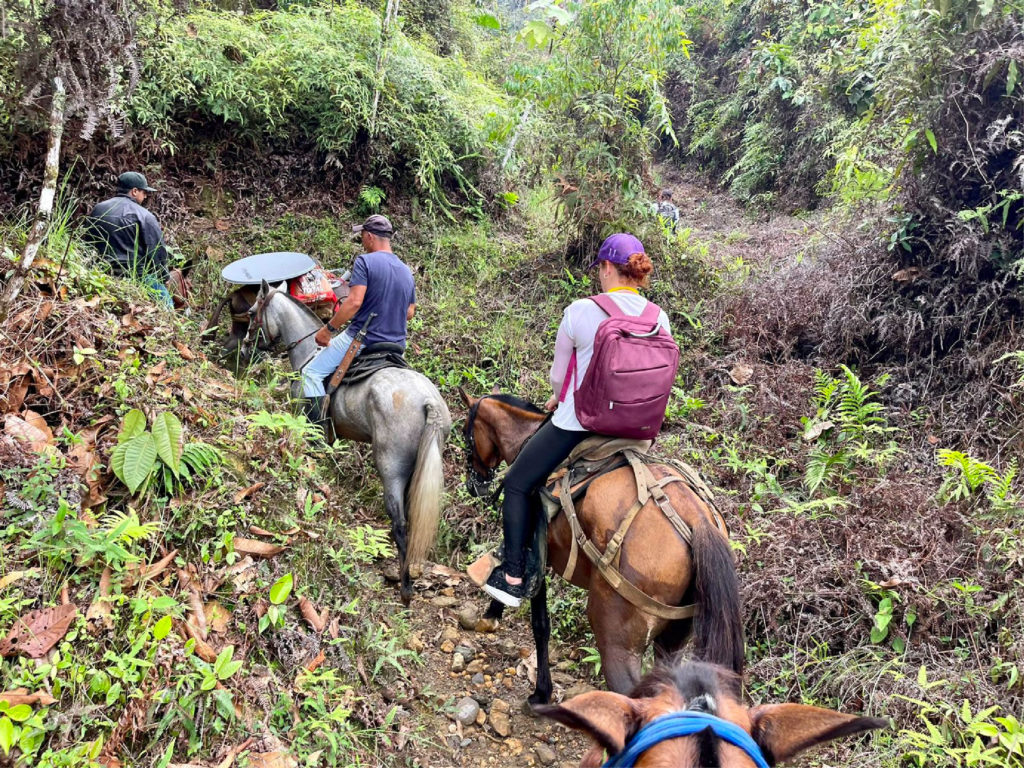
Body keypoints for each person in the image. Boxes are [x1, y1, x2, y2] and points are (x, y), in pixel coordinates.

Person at [481, 233, 672, 607]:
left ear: (605, 268)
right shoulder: (658, 317)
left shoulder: (580, 311)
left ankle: (514, 574)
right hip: (638, 433)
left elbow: (558, 377)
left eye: (599, 269)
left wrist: (557, 395)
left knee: (518, 484)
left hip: (578, 424)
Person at [300, 214, 415, 426]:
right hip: (397, 344)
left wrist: (328, 330)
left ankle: (314, 435)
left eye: (362, 235)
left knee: (311, 373)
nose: (362, 241)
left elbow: (354, 303)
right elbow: (409, 312)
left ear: (370, 236)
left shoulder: (365, 261)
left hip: (363, 339)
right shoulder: (406, 271)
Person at [84, 171, 173, 306]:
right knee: (168, 305)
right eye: (144, 192)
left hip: (99, 272)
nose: (145, 196)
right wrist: (164, 277)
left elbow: (88, 241)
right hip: (136, 276)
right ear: (135, 191)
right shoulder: (144, 216)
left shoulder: (98, 209)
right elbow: (157, 251)